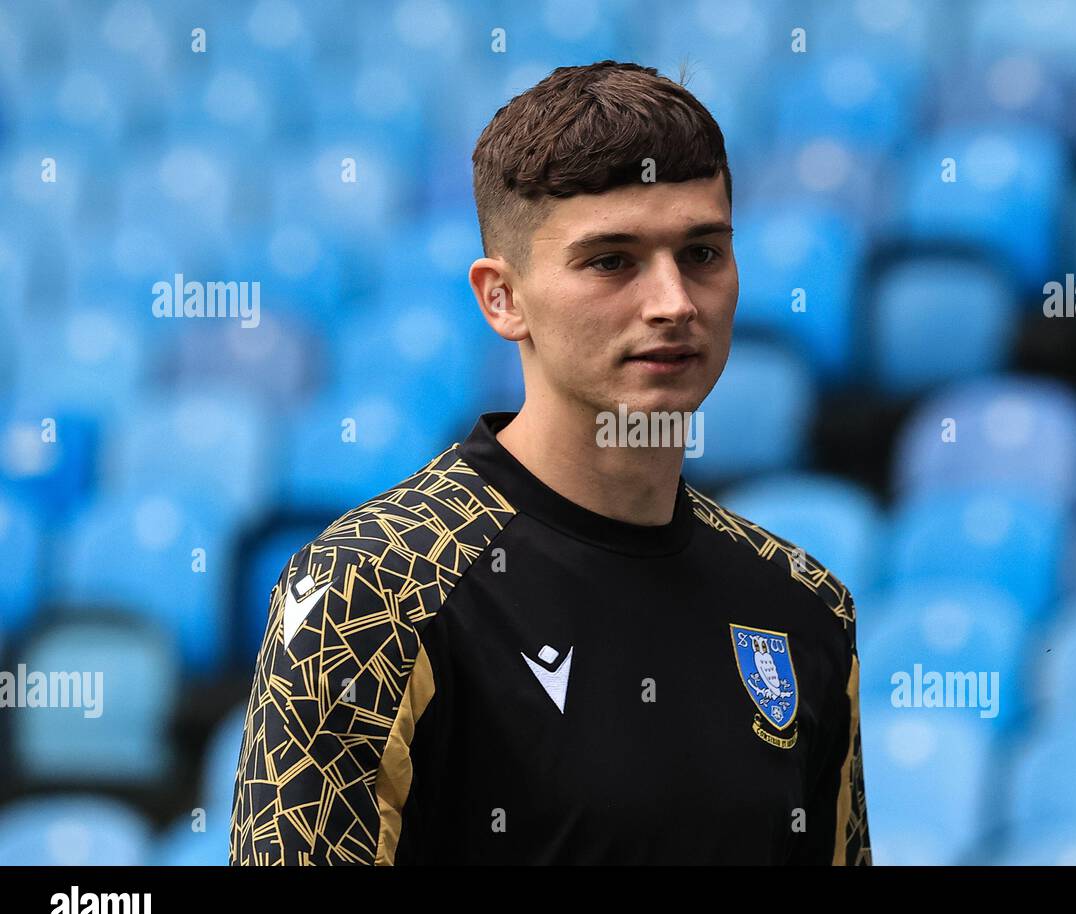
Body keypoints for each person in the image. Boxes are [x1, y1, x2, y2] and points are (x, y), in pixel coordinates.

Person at [229, 59, 870, 865]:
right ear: (502, 297)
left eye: (702, 252)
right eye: (612, 261)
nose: (673, 301)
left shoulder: (803, 607)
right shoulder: (371, 592)